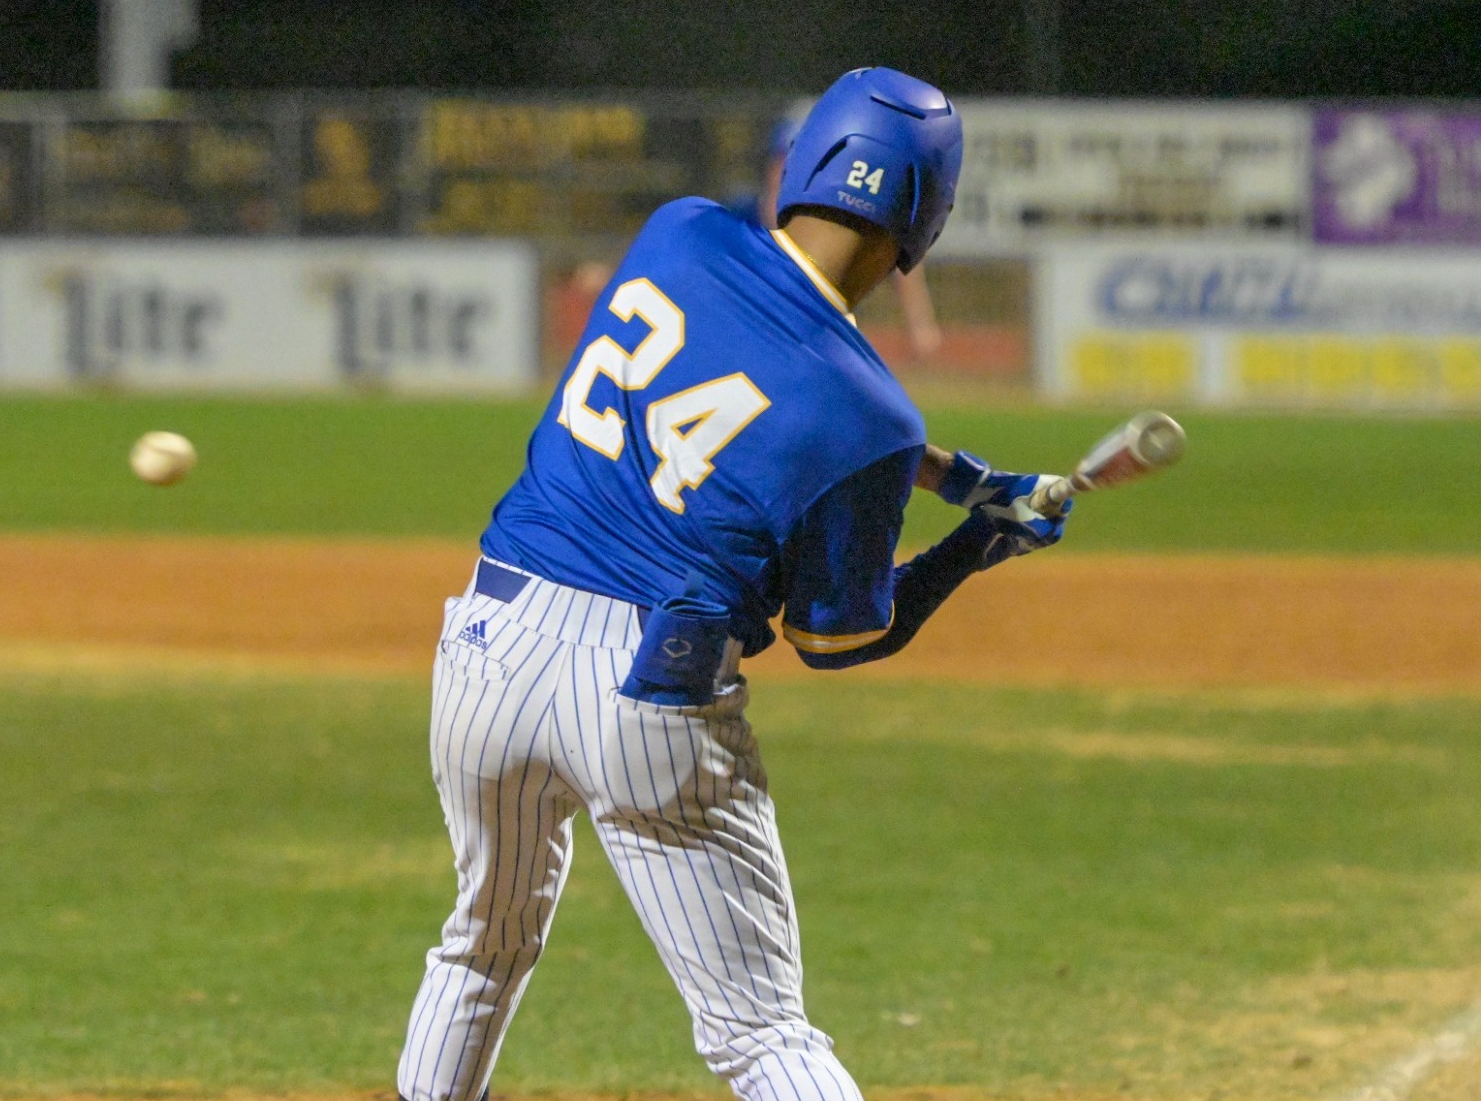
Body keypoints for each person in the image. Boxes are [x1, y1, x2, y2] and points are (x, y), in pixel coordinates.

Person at [397, 68, 1069, 1101]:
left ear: (801, 164)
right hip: (644, 693)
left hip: (487, 646)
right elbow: (837, 638)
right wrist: (978, 543)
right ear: (923, 221)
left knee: (479, 943)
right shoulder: (869, 419)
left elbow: (744, 378)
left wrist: (957, 476)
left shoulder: (681, 234)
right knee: (760, 1034)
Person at [735, 110, 946, 359]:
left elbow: (897, 262)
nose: (786, 168)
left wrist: (919, 325)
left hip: (821, 347)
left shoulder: (834, 220)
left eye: (798, 158)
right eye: (782, 159)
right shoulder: (739, 214)